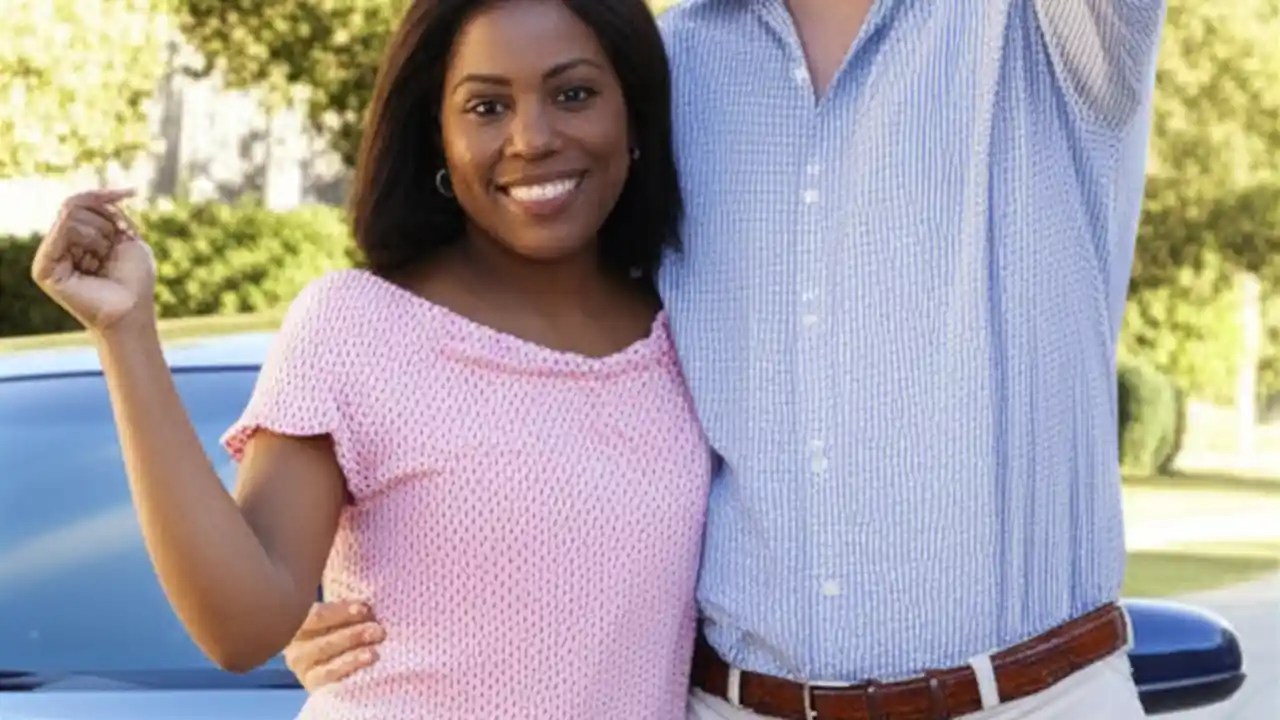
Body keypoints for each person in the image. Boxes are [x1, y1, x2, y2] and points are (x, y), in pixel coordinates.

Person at [288, 0, 1169, 718]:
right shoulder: (663, 67)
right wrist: (359, 596)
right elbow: (564, 383)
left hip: (1032, 699)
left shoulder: (1051, 34)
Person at [30, 0, 712, 717]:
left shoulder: (688, 327)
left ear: (634, 112)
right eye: (485, 106)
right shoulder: (356, 325)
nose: (532, 138)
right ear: (437, 136)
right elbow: (239, 627)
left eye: (574, 94)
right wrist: (126, 332)